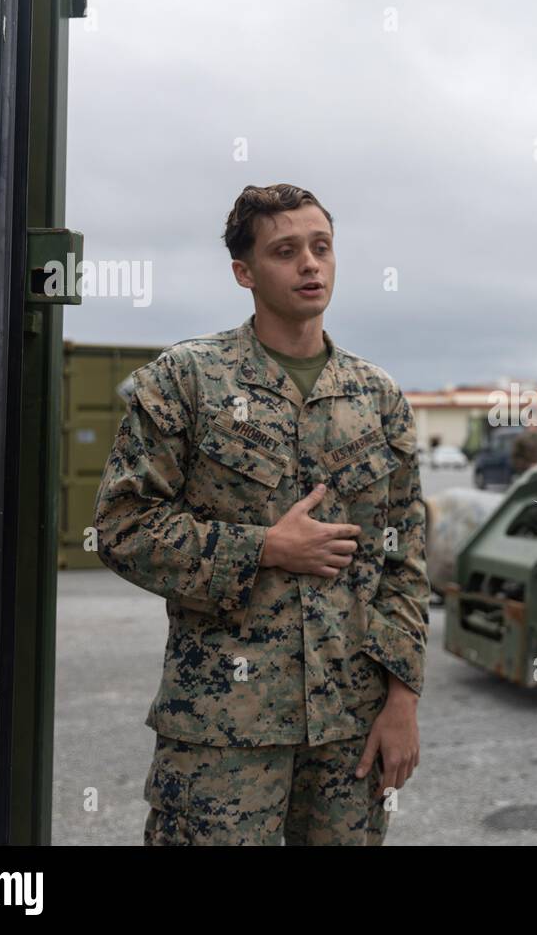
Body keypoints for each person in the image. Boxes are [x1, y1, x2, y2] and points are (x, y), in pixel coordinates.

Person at [94, 183, 429, 845]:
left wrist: (403, 699)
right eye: (285, 251)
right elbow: (121, 527)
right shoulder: (185, 381)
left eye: (321, 247)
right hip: (222, 726)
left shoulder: (379, 397)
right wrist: (263, 548)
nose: (310, 264)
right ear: (244, 273)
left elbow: (405, 559)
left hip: (349, 727)